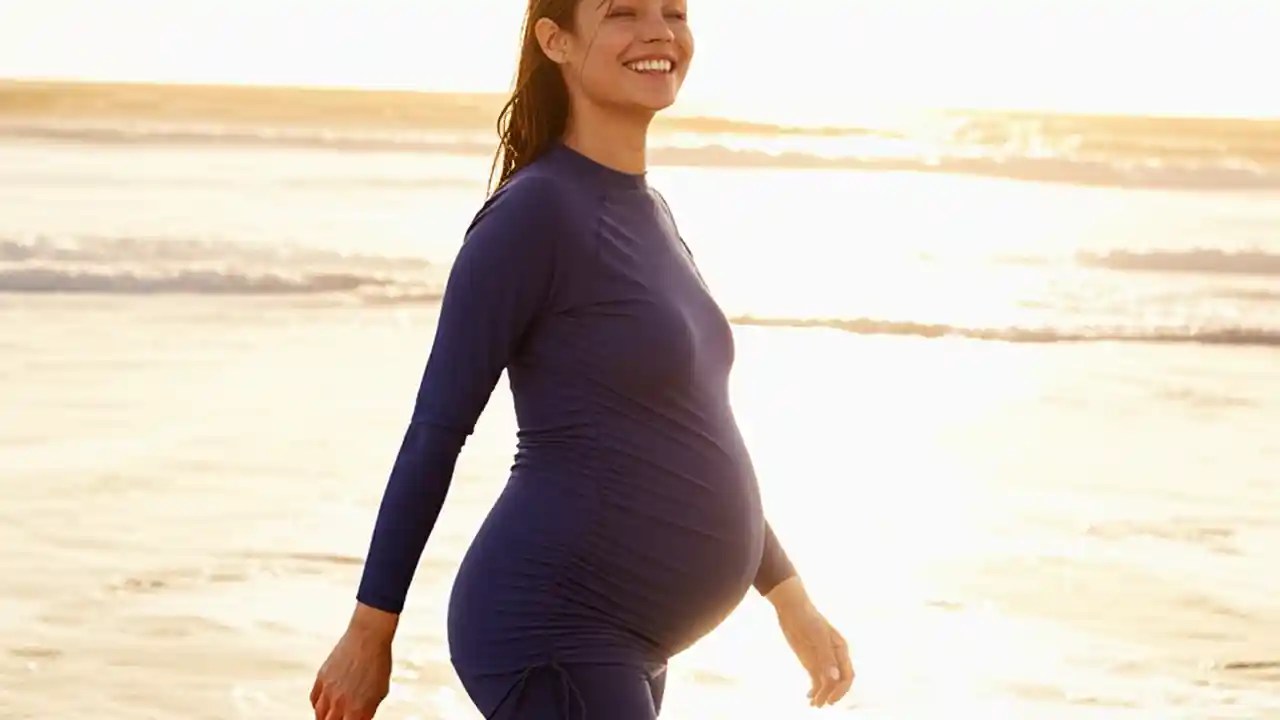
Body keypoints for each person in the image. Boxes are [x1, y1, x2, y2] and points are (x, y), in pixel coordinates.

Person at [310, 1, 853, 717]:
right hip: (551, 626)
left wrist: (792, 601)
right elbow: (436, 428)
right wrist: (368, 630)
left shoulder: (650, 210)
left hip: (623, 641)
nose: (659, 31)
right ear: (555, 40)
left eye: (674, 11)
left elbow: (690, 429)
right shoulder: (532, 214)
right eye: (623, 12)